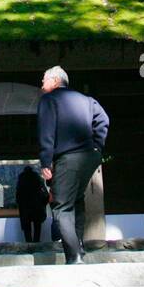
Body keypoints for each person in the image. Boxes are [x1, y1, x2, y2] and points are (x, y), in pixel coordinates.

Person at [37, 66, 109, 264]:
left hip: (67, 157)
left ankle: (74, 255)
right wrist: (97, 147)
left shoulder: (49, 100)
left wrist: (45, 161)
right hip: (88, 156)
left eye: (44, 79)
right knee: (77, 201)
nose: (42, 84)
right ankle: (80, 247)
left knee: (61, 206)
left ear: (55, 81)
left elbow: (47, 131)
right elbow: (103, 119)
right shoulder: (86, 100)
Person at [15, 165, 48, 243]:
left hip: (25, 206)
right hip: (37, 205)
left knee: (27, 227)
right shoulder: (37, 177)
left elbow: (18, 193)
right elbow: (45, 191)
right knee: (37, 225)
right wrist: (44, 203)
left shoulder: (21, 178)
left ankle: (29, 244)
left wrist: (19, 203)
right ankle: (36, 242)